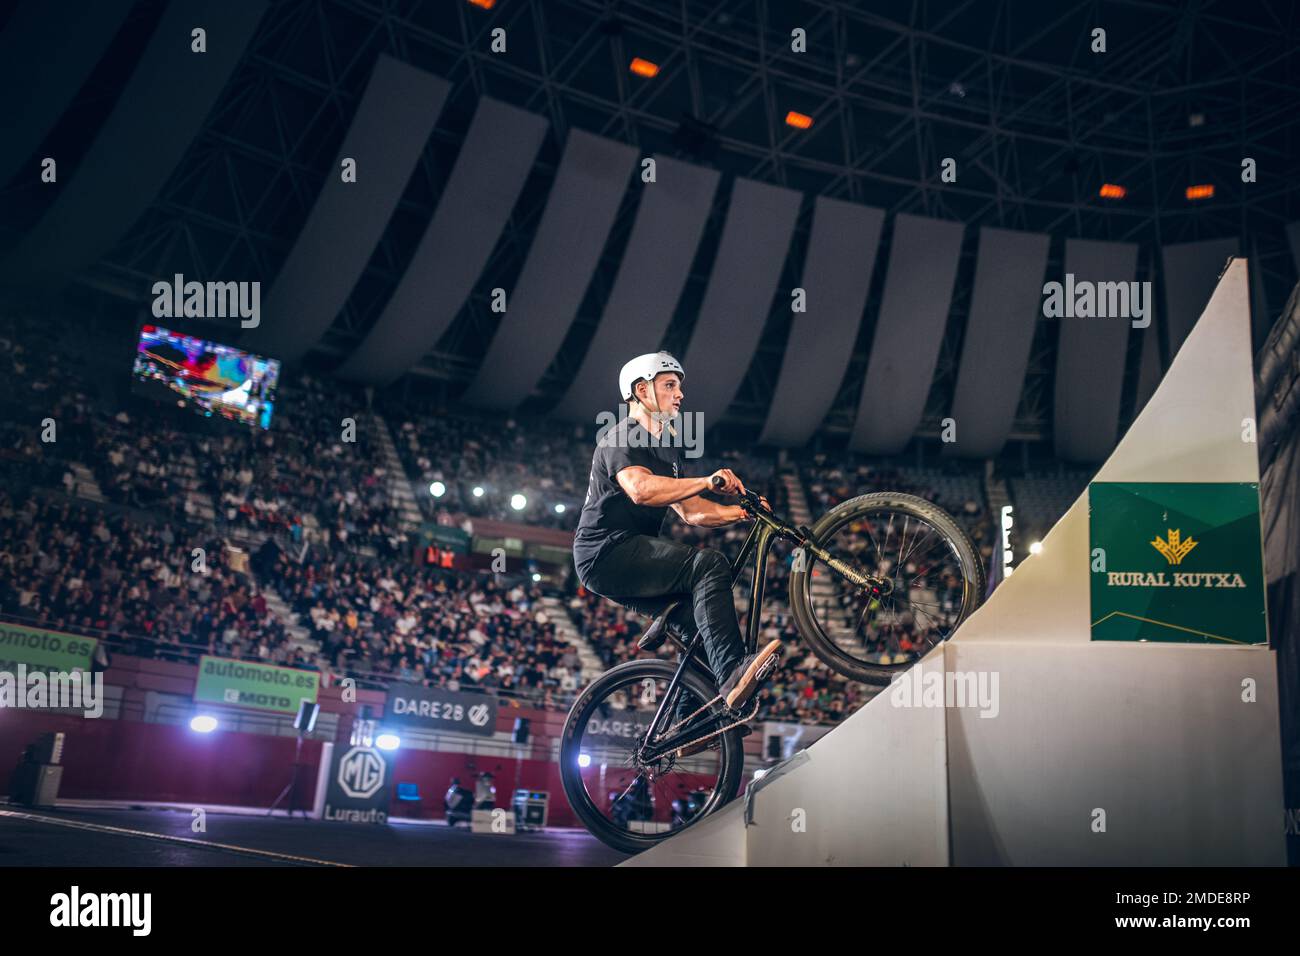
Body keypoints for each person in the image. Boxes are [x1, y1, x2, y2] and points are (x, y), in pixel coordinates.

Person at [571, 351, 782, 757]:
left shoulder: (668, 450)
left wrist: (743, 512)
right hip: (606, 551)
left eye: (679, 387)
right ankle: (733, 675)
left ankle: (682, 729)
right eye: (670, 385)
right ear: (641, 390)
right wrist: (707, 479)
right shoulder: (622, 435)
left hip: (629, 556)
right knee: (709, 564)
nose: (680, 394)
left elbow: (693, 511)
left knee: (701, 633)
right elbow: (640, 490)